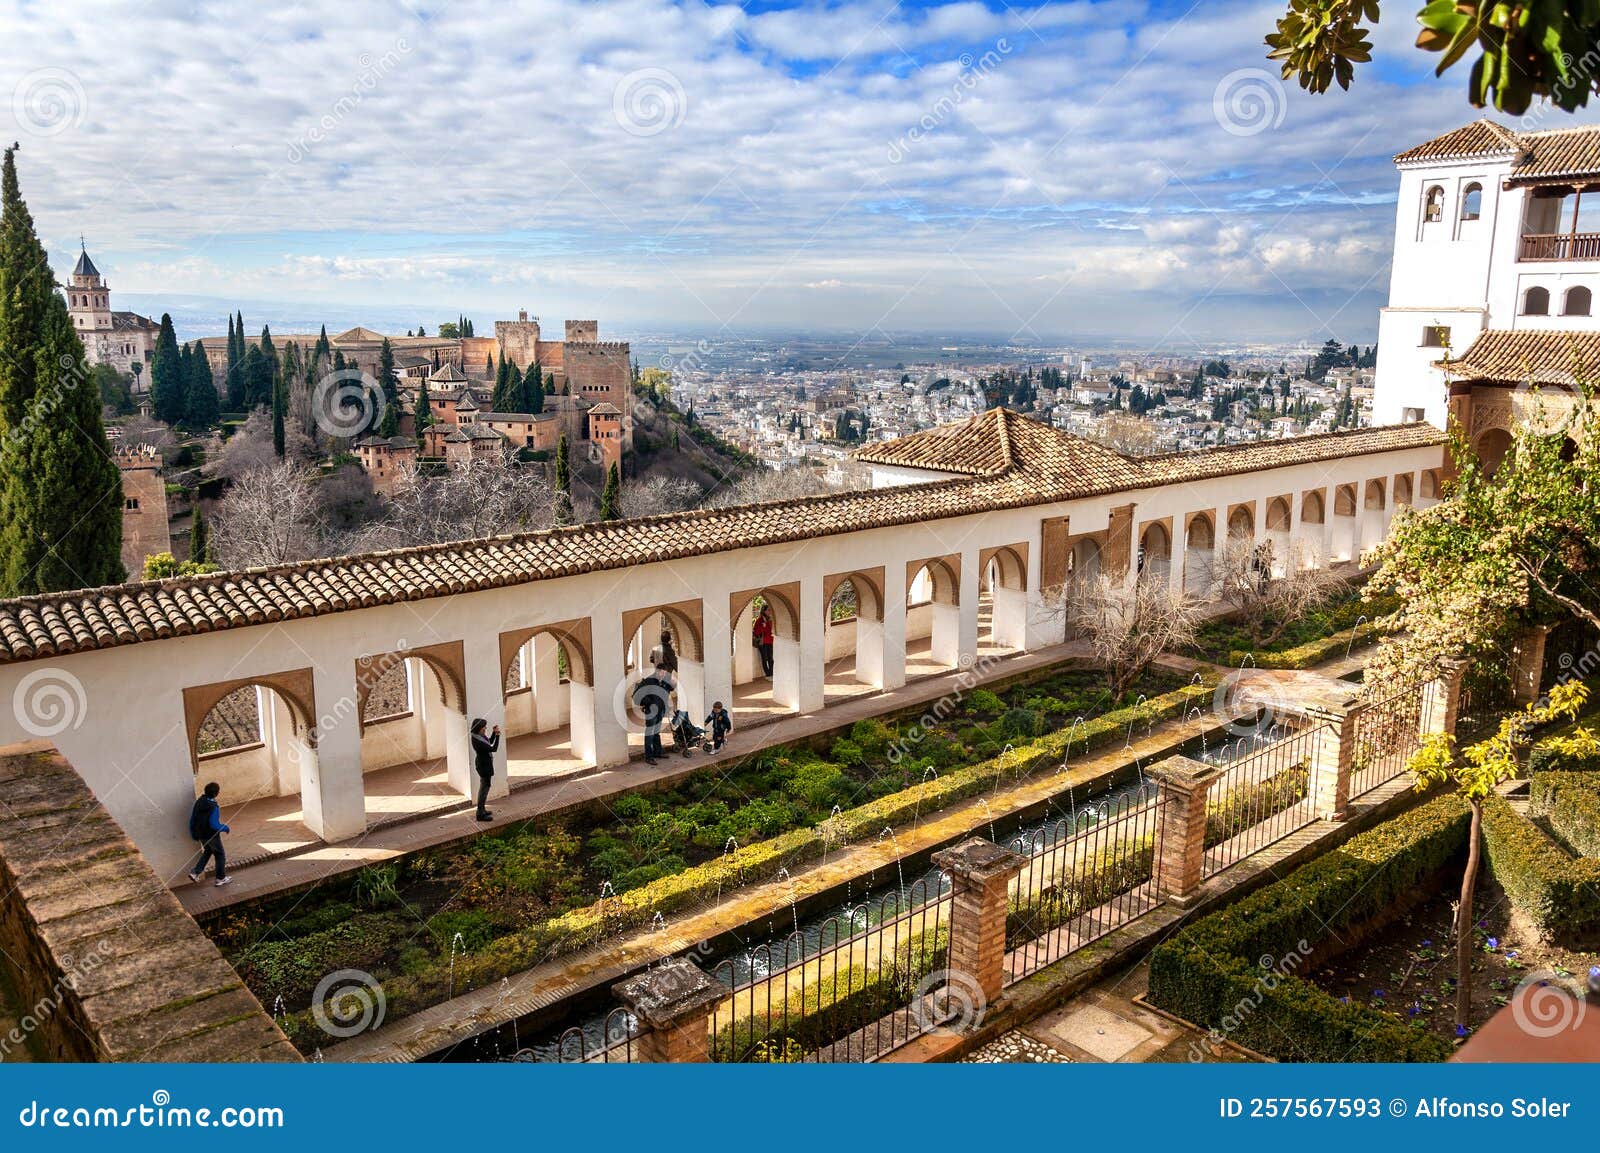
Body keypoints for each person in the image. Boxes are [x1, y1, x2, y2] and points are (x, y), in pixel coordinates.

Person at [187, 782, 231, 887]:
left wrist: (194, 833)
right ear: (216, 793)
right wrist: (225, 828)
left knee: (208, 851)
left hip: (201, 834)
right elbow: (214, 824)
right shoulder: (213, 807)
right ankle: (220, 878)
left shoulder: (199, 802)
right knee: (220, 855)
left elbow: (193, 819)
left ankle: (195, 872)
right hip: (211, 835)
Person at [633, 665, 673, 764]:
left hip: (661, 710)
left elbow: (668, 690)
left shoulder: (663, 681)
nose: (663, 675)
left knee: (656, 732)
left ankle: (658, 752)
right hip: (651, 712)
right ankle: (649, 757)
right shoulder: (648, 681)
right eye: (661, 672)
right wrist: (649, 703)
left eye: (664, 673)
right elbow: (637, 695)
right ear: (656, 671)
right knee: (650, 734)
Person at [470, 718, 500, 821]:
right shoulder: (477, 741)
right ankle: (480, 814)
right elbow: (493, 748)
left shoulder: (479, 736)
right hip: (484, 766)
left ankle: (482, 810)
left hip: (485, 764)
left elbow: (489, 742)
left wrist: (493, 733)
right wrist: (498, 735)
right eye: (484, 727)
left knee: (485, 787)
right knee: (484, 789)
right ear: (479, 728)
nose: (485, 728)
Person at [752, 605, 775, 679]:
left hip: (770, 641)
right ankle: (768, 674)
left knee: (771, 659)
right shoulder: (759, 620)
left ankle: (771, 673)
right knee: (764, 659)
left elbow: (772, 630)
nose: (769, 611)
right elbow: (756, 632)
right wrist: (763, 626)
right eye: (768, 610)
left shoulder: (771, 619)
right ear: (764, 611)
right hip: (762, 643)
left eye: (770, 610)